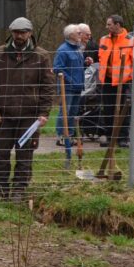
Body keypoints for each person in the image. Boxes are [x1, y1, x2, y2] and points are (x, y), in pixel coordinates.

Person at [0, 17, 53, 201]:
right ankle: (1, 190)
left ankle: (19, 189)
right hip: (3, 113)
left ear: (30, 33)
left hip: (29, 115)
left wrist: (43, 112)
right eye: (16, 32)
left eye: (23, 32)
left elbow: (47, 87)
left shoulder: (41, 56)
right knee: (0, 155)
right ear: (11, 33)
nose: (19, 35)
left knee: (25, 155)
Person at [97, 14, 134, 146]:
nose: (107, 27)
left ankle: (123, 138)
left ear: (118, 25)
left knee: (124, 110)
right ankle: (109, 136)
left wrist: (132, 77)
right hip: (107, 81)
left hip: (124, 82)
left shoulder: (132, 40)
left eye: (109, 24)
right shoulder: (103, 39)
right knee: (108, 109)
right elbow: (100, 58)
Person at [53, 24, 86, 165]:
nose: (81, 35)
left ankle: (70, 135)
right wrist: (69, 79)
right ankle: (61, 135)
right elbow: (57, 68)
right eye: (78, 33)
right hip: (67, 86)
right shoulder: (63, 50)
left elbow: (77, 67)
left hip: (78, 86)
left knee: (73, 111)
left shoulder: (78, 49)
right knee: (65, 111)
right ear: (70, 35)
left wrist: (86, 62)